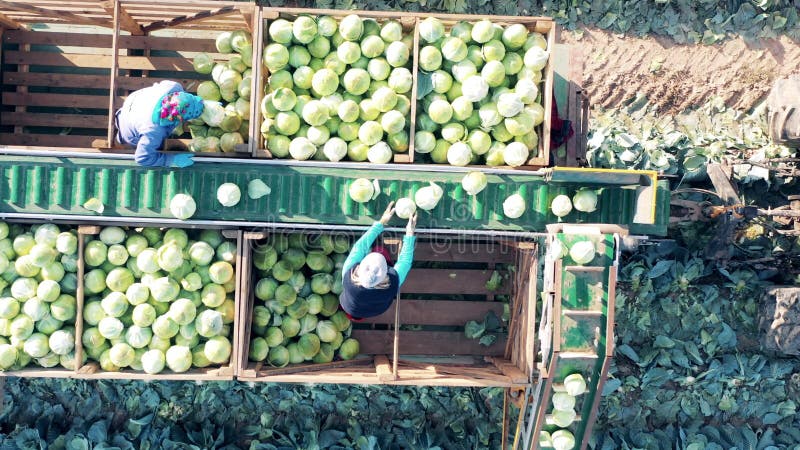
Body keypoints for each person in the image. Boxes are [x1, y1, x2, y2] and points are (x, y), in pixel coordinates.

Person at [339, 202, 417, 321]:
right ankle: (381, 252)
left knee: (375, 250)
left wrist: (380, 223)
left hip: (353, 306)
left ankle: (378, 250)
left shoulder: (348, 273)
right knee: (380, 251)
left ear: (359, 267)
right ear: (387, 273)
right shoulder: (393, 283)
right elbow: (404, 261)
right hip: (376, 309)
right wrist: (409, 233)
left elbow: (359, 247)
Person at [114, 80, 204, 168]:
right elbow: (142, 158)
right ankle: (121, 137)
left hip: (133, 104)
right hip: (126, 127)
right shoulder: (154, 130)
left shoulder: (173, 87)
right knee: (153, 143)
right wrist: (171, 160)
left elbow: (159, 85)